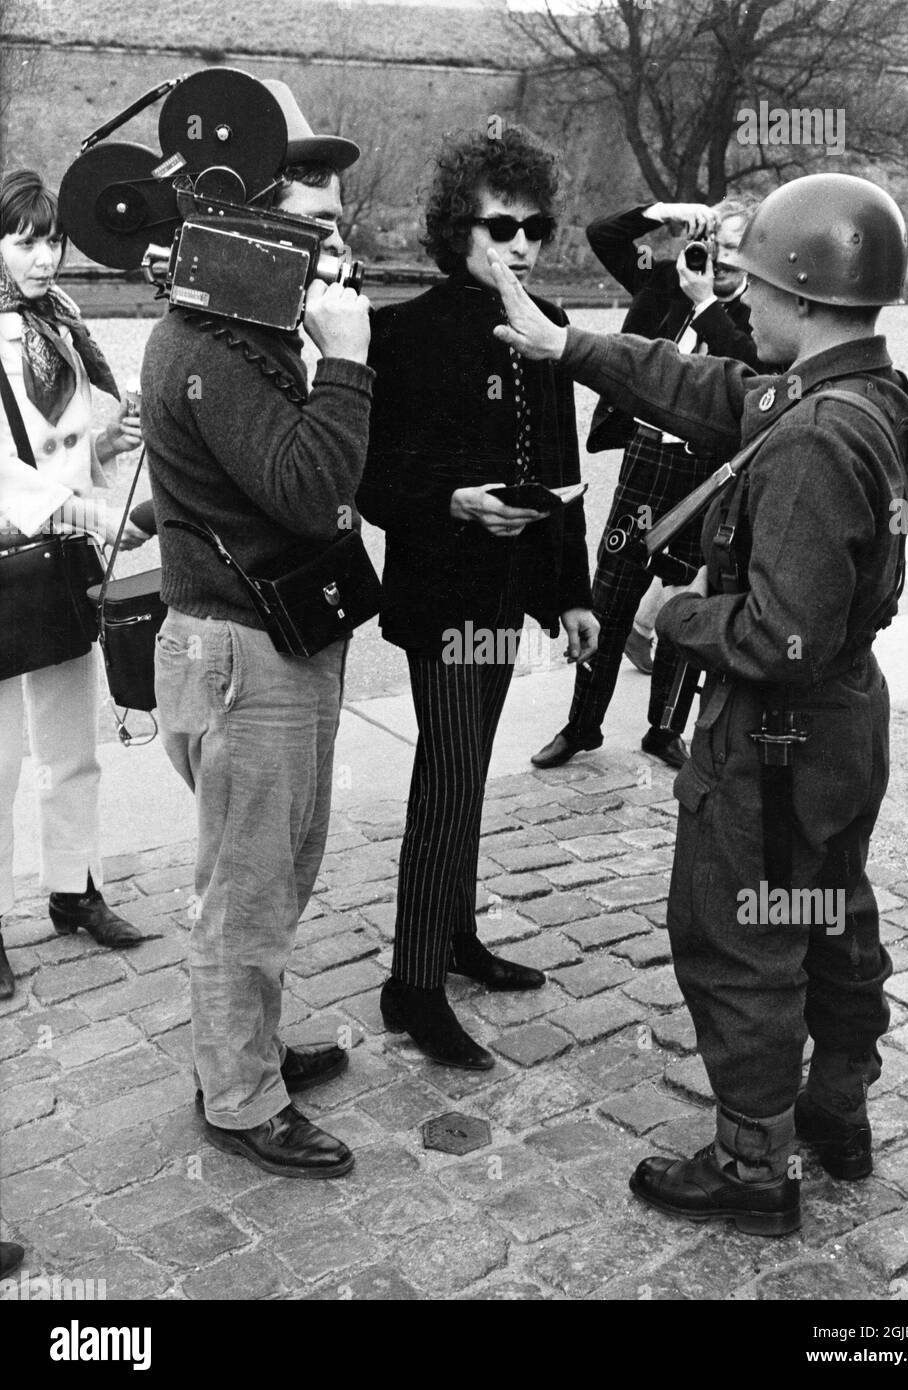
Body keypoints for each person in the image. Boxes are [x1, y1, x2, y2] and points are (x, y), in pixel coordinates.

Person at [488, 172, 908, 1235]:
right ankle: (836, 1112)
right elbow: (715, 391)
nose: (739, 301)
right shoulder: (865, 390)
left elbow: (779, 634)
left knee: (740, 936)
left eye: (752, 284)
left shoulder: (818, 436)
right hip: (841, 724)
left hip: (776, 736)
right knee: (826, 914)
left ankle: (750, 1163)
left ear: (803, 294)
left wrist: (676, 615)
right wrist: (570, 347)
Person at [143, 80, 371, 1179]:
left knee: (276, 870)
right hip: (244, 652)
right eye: (312, 201)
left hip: (277, 643)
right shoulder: (208, 346)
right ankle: (237, 1094)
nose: (335, 219)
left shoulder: (251, 326)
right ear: (244, 211)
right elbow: (316, 487)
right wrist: (351, 359)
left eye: (337, 202)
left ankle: (249, 1048)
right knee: (245, 889)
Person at [356, 126, 597, 1070]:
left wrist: (570, 596)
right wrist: (452, 502)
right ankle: (411, 984)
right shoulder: (401, 332)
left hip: (506, 597)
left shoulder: (543, 322)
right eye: (502, 226)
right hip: (441, 594)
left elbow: (562, 471)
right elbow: (370, 480)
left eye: (535, 225)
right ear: (458, 227)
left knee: (469, 775)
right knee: (449, 777)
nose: (523, 244)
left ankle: (452, 938)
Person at [532, 197, 764, 774]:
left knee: (688, 603)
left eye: (740, 248)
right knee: (610, 595)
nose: (725, 258)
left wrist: (707, 301)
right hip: (647, 461)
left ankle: (664, 729)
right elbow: (603, 231)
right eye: (720, 244)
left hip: (709, 474)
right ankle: (582, 725)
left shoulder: (759, 313)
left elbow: (752, 374)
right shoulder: (665, 281)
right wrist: (666, 213)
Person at [0, 169, 150, 1002]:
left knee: (70, 744)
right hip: (7, 556)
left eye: (51, 238)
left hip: (61, 559)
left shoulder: (64, 322)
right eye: (24, 238)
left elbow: (73, 449)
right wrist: (84, 512)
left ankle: (73, 887)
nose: (45, 256)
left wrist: (108, 442)